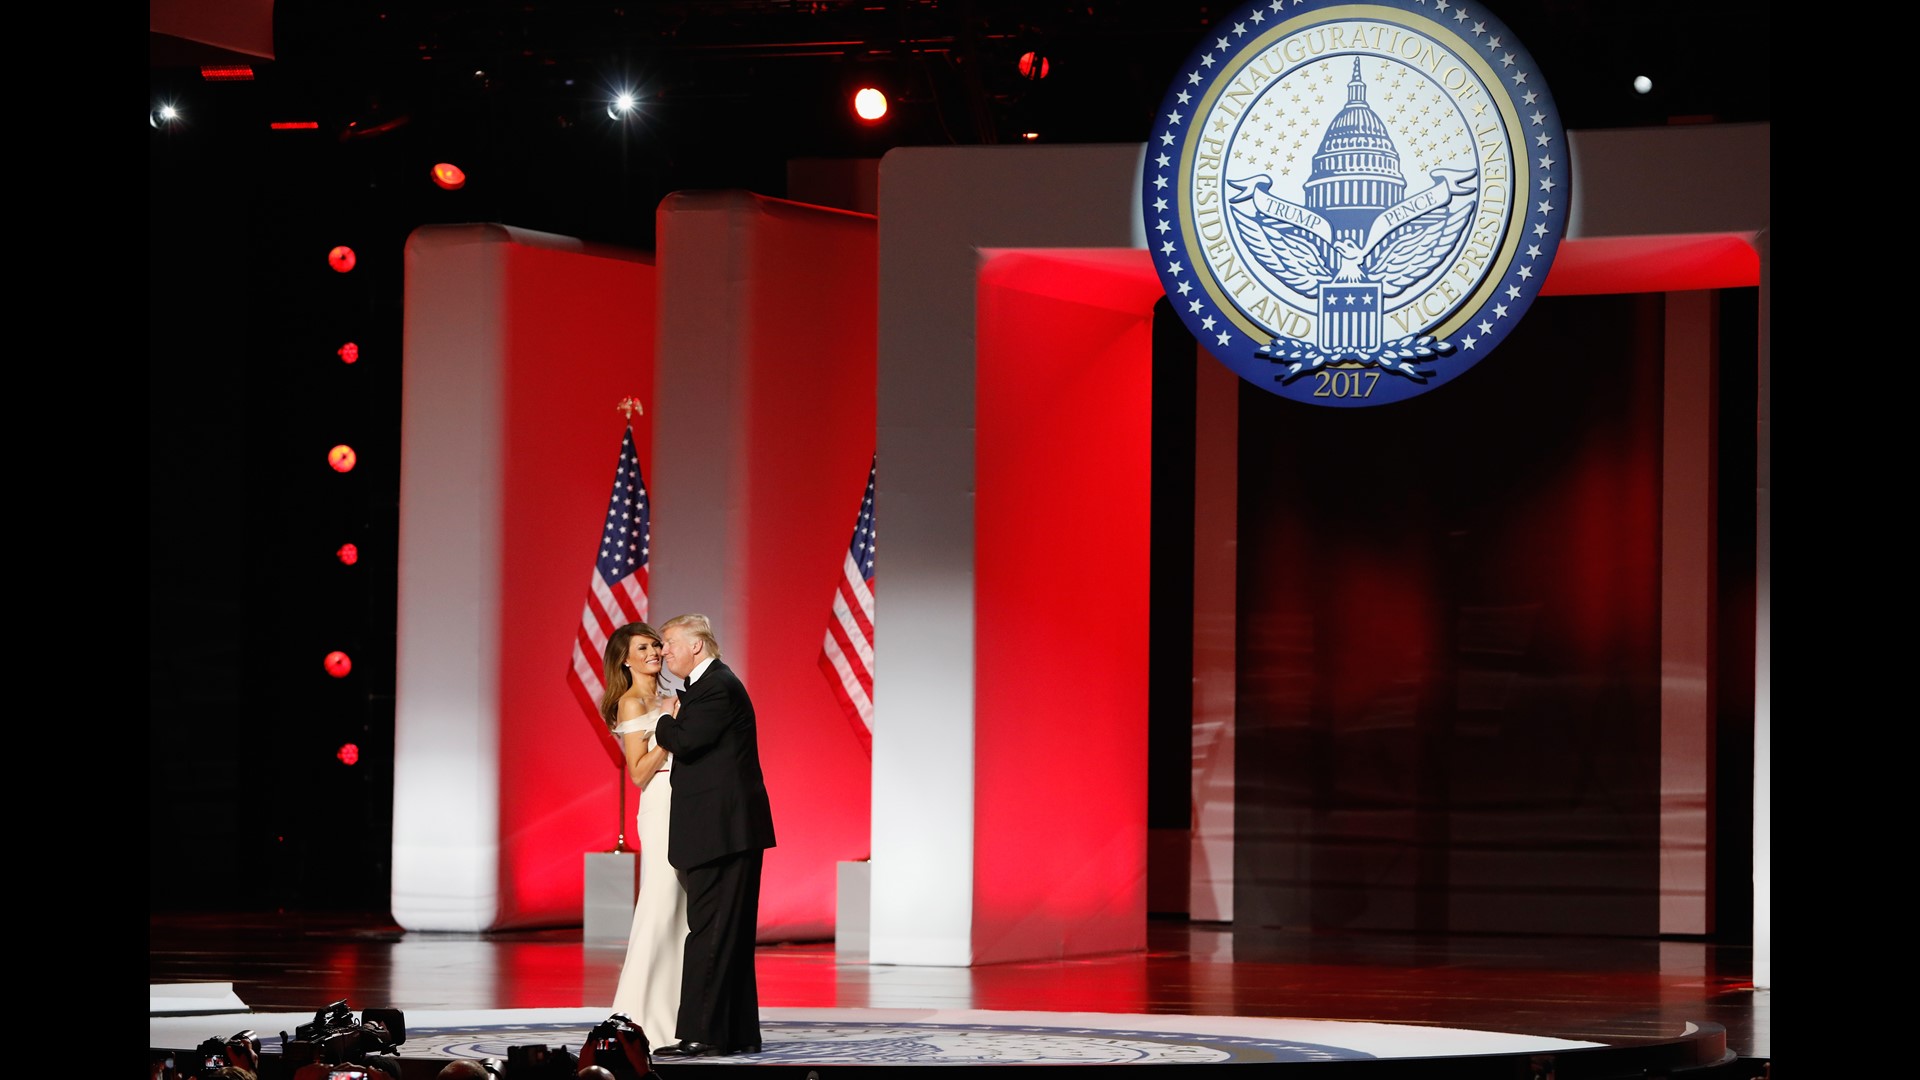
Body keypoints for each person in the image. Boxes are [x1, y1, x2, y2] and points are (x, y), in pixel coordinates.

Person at [649, 614, 776, 1058]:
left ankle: (701, 1034)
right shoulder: (712, 686)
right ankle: (736, 1033)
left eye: (668, 643)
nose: (663, 652)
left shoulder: (717, 686)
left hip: (723, 835)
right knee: (728, 935)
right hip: (726, 834)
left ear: (696, 646)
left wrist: (664, 721)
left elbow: (685, 741)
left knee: (710, 933)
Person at [598, 621, 691, 1052]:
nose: (655, 651)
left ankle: (675, 1015)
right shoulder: (632, 704)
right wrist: (670, 731)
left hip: (684, 801)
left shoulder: (665, 697)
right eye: (644, 646)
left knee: (681, 911)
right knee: (660, 905)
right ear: (626, 658)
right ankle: (637, 1016)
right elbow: (637, 773)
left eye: (656, 644)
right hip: (660, 806)